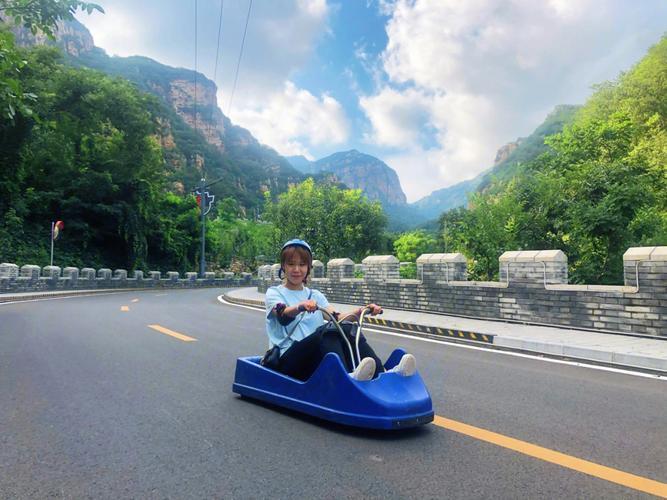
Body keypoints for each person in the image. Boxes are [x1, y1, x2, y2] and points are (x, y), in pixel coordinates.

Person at [265, 238, 417, 381]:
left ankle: (382, 372)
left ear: (308, 267)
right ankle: (345, 377)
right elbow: (282, 315)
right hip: (287, 361)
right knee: (326, 332)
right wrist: (300, 306)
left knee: (347, 328)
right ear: (283, 266)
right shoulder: (274, 293)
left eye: (302, 264)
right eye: (291, 264)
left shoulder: (314, 295)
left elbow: (337, 318)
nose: (297, 269)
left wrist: (362, 310)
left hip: (311, 358)